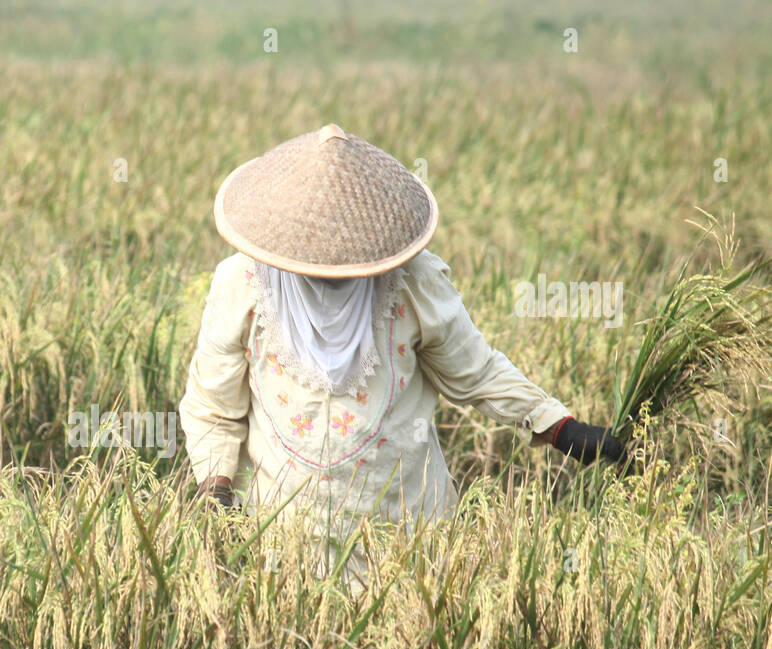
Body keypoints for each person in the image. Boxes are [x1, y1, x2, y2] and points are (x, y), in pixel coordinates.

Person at [179, 124, 626, 587]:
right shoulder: (242, 286)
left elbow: (477, 372)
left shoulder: (411, 282)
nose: (331, 276)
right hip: (280, 548)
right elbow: (212, 406)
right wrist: (215, 489)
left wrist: (559, 427)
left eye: (346, 265)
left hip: (403, 542)